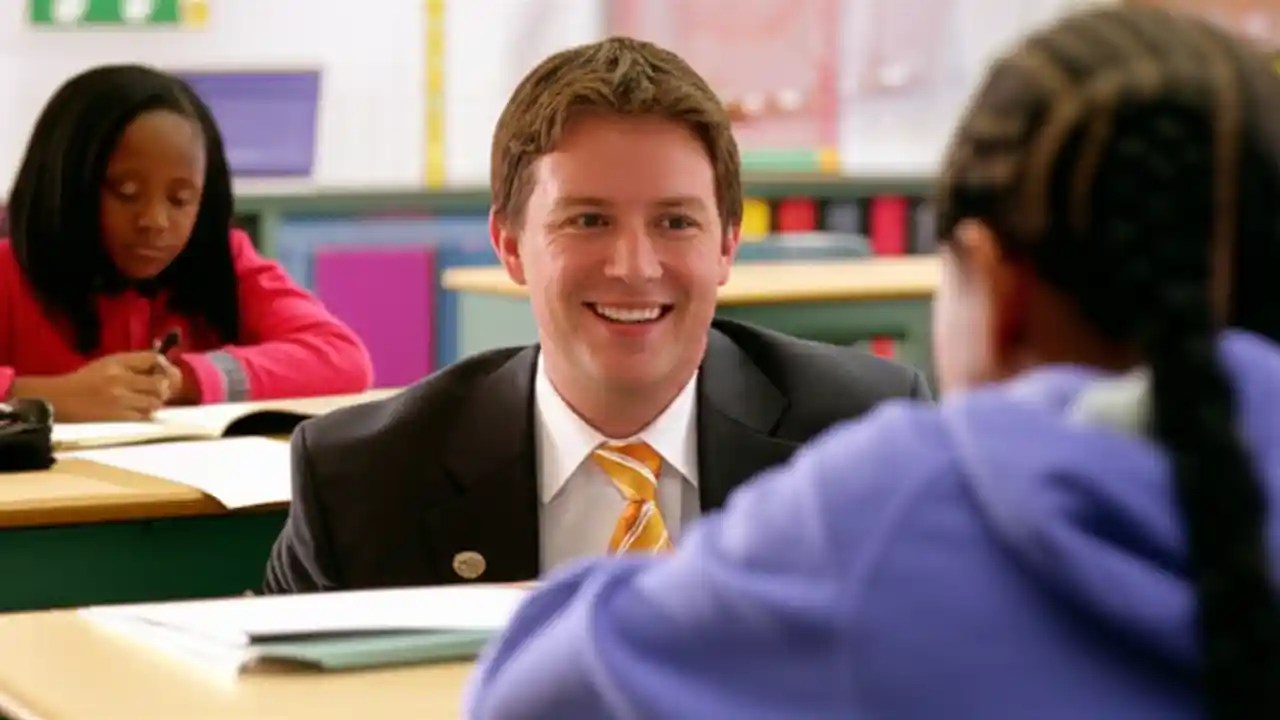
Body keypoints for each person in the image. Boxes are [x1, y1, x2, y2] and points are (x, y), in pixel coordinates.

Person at [465, 7, 1280, 719]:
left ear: (995, 288)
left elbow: (536, 695)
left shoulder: (897, 508)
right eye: (590, 220)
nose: (635, 262)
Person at [262, 37, 929, 593]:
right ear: (511, 245)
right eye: (588, 220)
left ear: (727, 244)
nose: (634, 265)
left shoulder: (865, 436)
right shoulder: (364, 480)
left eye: (675, 221)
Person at [0, 64, 373, 422]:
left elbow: (342, 358)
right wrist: (46, 397)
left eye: (180, 199)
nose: (155, 221)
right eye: (126, 193)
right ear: (67, 185)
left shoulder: (224, 261)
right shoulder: (9, 271)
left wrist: (183, 380)